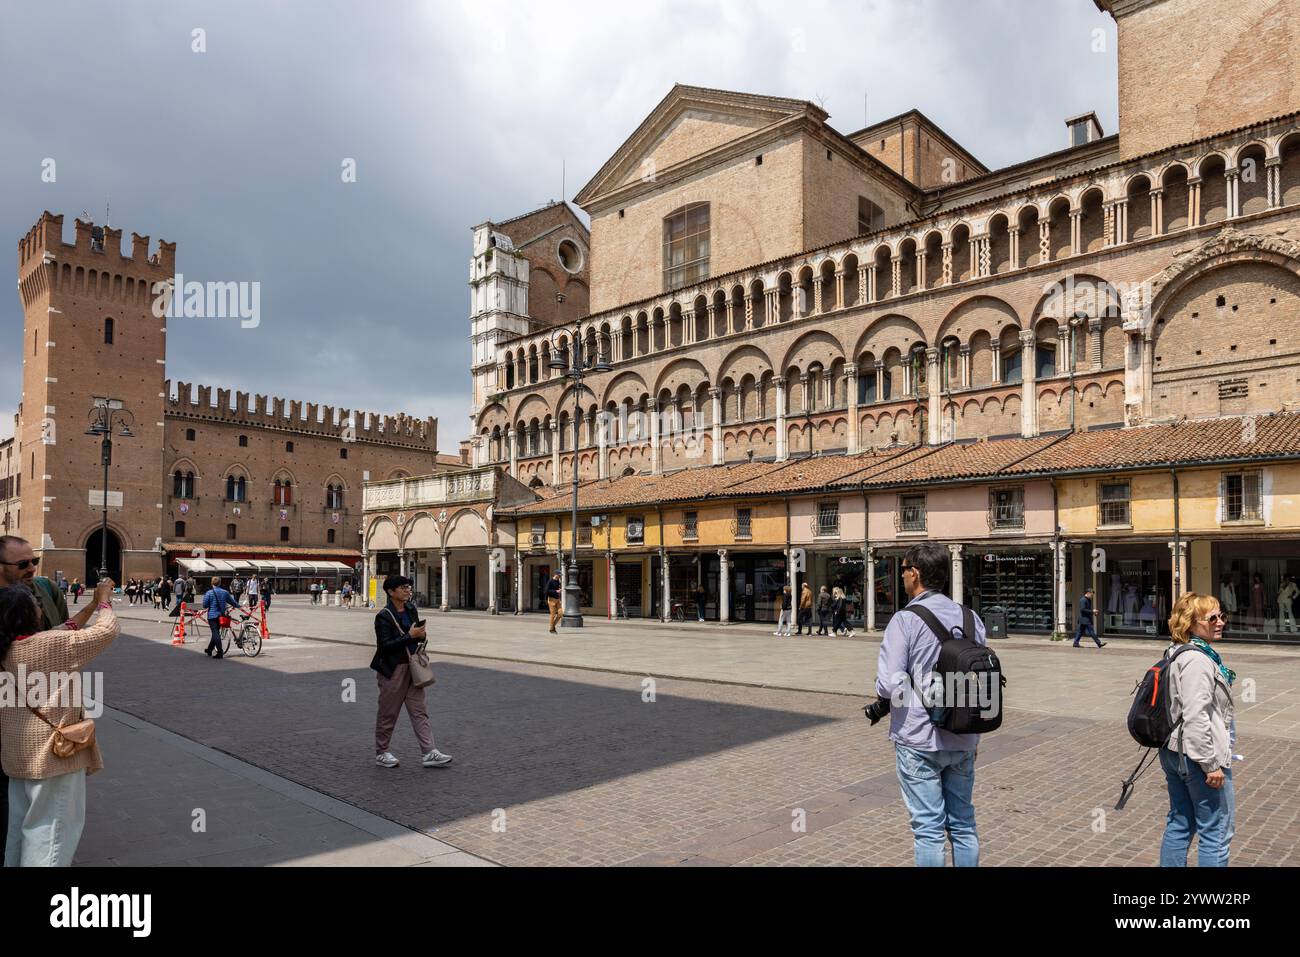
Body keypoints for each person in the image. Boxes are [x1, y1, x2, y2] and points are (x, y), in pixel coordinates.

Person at [874, 542, 987, 867]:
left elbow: (889, 684)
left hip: (919, 738)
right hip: (965, 735)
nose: (903, 575)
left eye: (905, 568)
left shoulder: (905, 621)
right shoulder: (971, 618)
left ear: (916, 574)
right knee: (963, 824)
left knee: (929, 830)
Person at [1, 574, 118, 866]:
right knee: (51, 837)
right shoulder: (52, 646)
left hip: (18, 757)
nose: (41, 607)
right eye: (35, 604)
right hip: (54, 757)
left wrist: (90, 606)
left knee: (19, 830)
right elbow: (108, 630)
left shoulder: (8, 649)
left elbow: (67, 627)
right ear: (29, 614)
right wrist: (104, 601)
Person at [1159, 592, 1236, 867]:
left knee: (1180, 822)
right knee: (1215, 832)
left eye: (1221, 615)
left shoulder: (1176, 651)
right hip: (1195, 756)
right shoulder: (1198, 660)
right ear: (1191, 623)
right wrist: (1210, 764)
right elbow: (1196, 716)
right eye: (1212, 618)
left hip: (1174, 750)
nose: (1220, 622)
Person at [370, 575, 451, 769]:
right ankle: (382, 752)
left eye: (408, 587)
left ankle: (429, 751)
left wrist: (421, 636)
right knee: (388, 713)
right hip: (393, 669)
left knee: (419, 711)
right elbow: (385, 647)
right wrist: (409, 636)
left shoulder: (411, 609)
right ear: (391, 592)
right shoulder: (383, 616)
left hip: (414, 668)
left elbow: (416, 636)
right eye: (403, 587)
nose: (407, 590)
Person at [201, 577, 241, 659]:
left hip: (212, 616)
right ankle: (209, 649)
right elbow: (233, 602)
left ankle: (220, 652)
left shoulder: (209, 593)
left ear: (212, 583)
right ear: (219, 583)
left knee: (215, 633)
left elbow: (204, 605)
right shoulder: (225, 592)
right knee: (216, 633)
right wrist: (240, 606)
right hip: (221, 616)